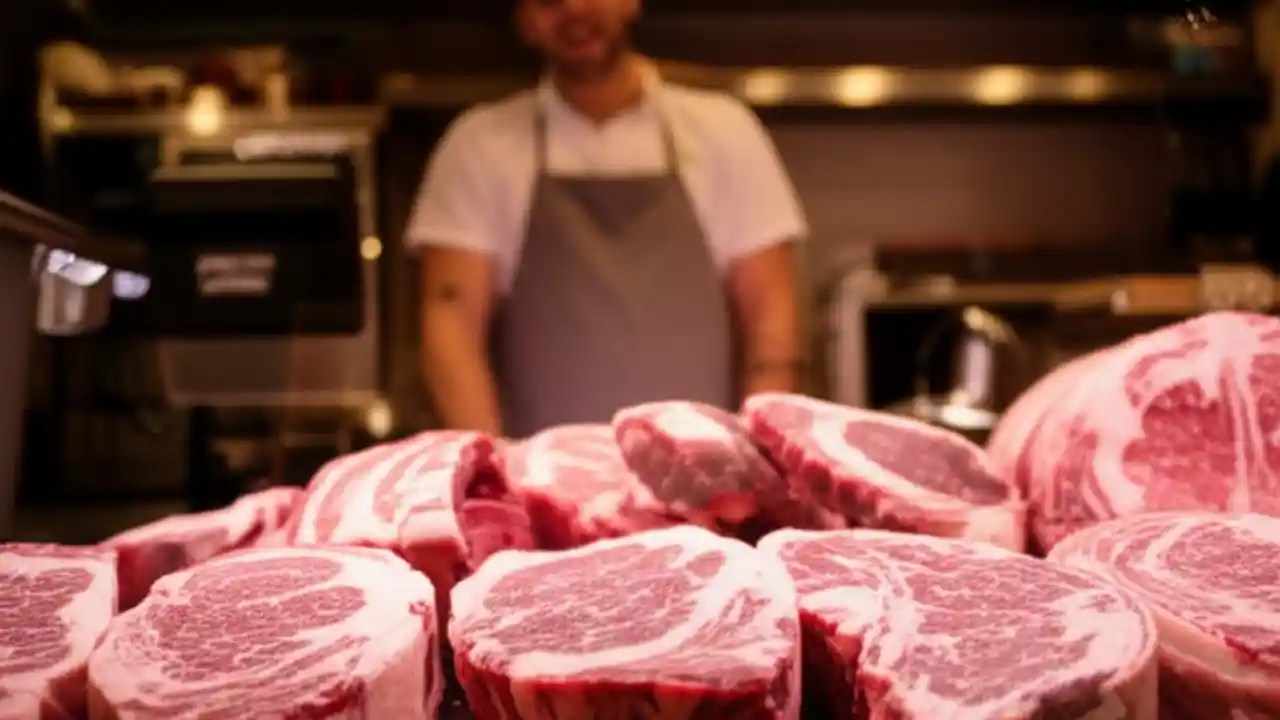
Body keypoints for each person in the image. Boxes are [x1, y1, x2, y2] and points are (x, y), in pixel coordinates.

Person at [405, 0, 807, 438]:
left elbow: (771, 309)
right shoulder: (480, 145)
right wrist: (495, 470)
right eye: (548, 1)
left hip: (702, 483)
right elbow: (451, 322)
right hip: (542, 487)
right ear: (524, 21)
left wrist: (753, 460)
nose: (575, 9)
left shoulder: (725, 132)